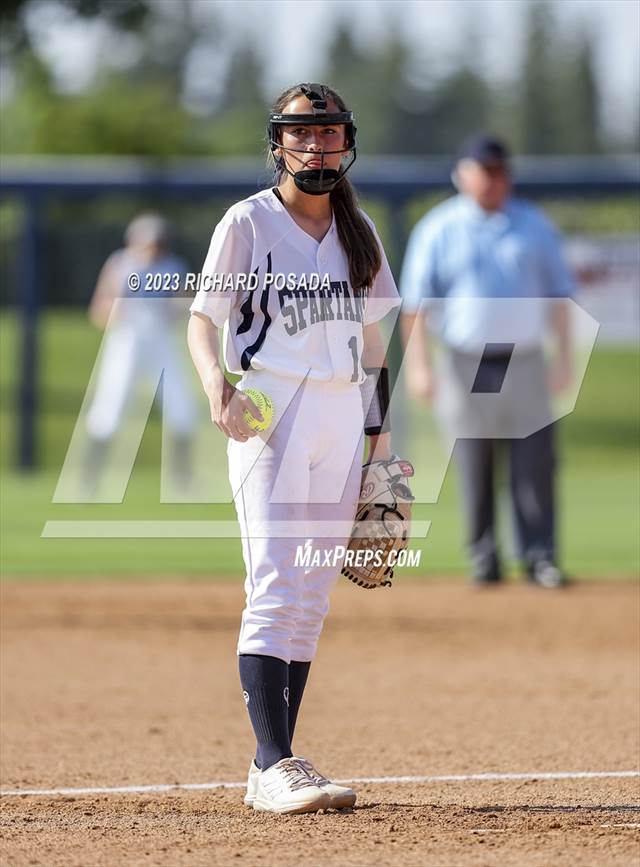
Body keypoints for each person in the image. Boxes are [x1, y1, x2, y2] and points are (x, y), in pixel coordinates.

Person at [187, 83, 400, 814]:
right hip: (269, 410)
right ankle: (276, 759)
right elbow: (202, 320)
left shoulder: (358, 229)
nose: (318, 146)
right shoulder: (246, 222)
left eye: (330, 133)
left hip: (342, 420)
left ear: (348, 142)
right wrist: (217, 384)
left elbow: (372, 351)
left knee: (309, 596)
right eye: (303, 134)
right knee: (277, 581)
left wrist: (380, 444)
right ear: (277, 143)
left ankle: (270, 764)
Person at [399, 134, 574, 589]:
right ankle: (484, 558)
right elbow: (416, 305)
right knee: (474, 462)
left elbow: (560, 298)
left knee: (535, 464)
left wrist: (564, 360)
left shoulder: (533, 224)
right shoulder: (439, 227)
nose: (492, 180)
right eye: (484, 171)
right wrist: (418, 366)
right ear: (463, 175)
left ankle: (540, 557)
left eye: (499, 172)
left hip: (527, 358)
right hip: (465, 360)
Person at [83, 213, 197, 495]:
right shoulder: (121, 264)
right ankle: (89, 479)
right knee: (110, 408)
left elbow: (185, 307)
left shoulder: (173, 267)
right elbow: (98, 310)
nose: (153, 249)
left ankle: (182, 481)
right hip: (127, 340)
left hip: (161, 340)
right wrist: (117, 312)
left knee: (182, 408)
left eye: (157, 243)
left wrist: (181, 307)